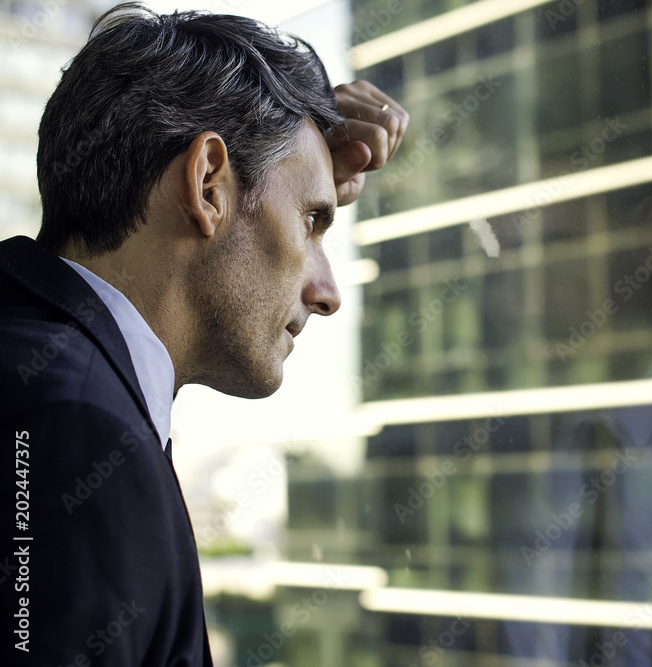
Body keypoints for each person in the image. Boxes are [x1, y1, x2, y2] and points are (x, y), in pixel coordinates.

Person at [0, 3, 407, 665]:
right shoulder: (75, 428)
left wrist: (290, 143)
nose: (327, 292)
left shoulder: (39, 371)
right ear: (209, 186)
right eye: (312, 222)